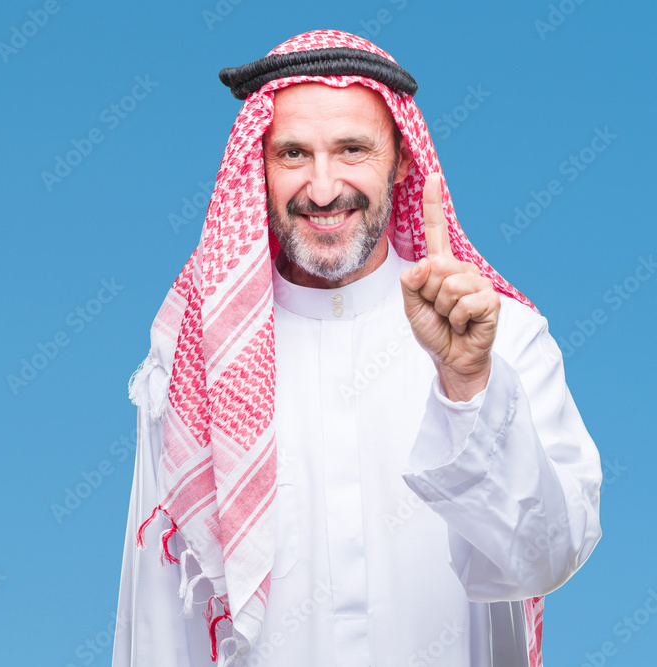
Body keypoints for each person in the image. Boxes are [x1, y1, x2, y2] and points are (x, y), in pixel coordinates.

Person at [113, 30, 602, 667]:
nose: (322, 188)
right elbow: (157, 618)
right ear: (257, 167)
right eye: (292, 154)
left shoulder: (500, 335)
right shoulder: (199, 360)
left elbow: (545, 556)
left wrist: (469, 384)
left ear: (400, 160)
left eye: (351, 149)